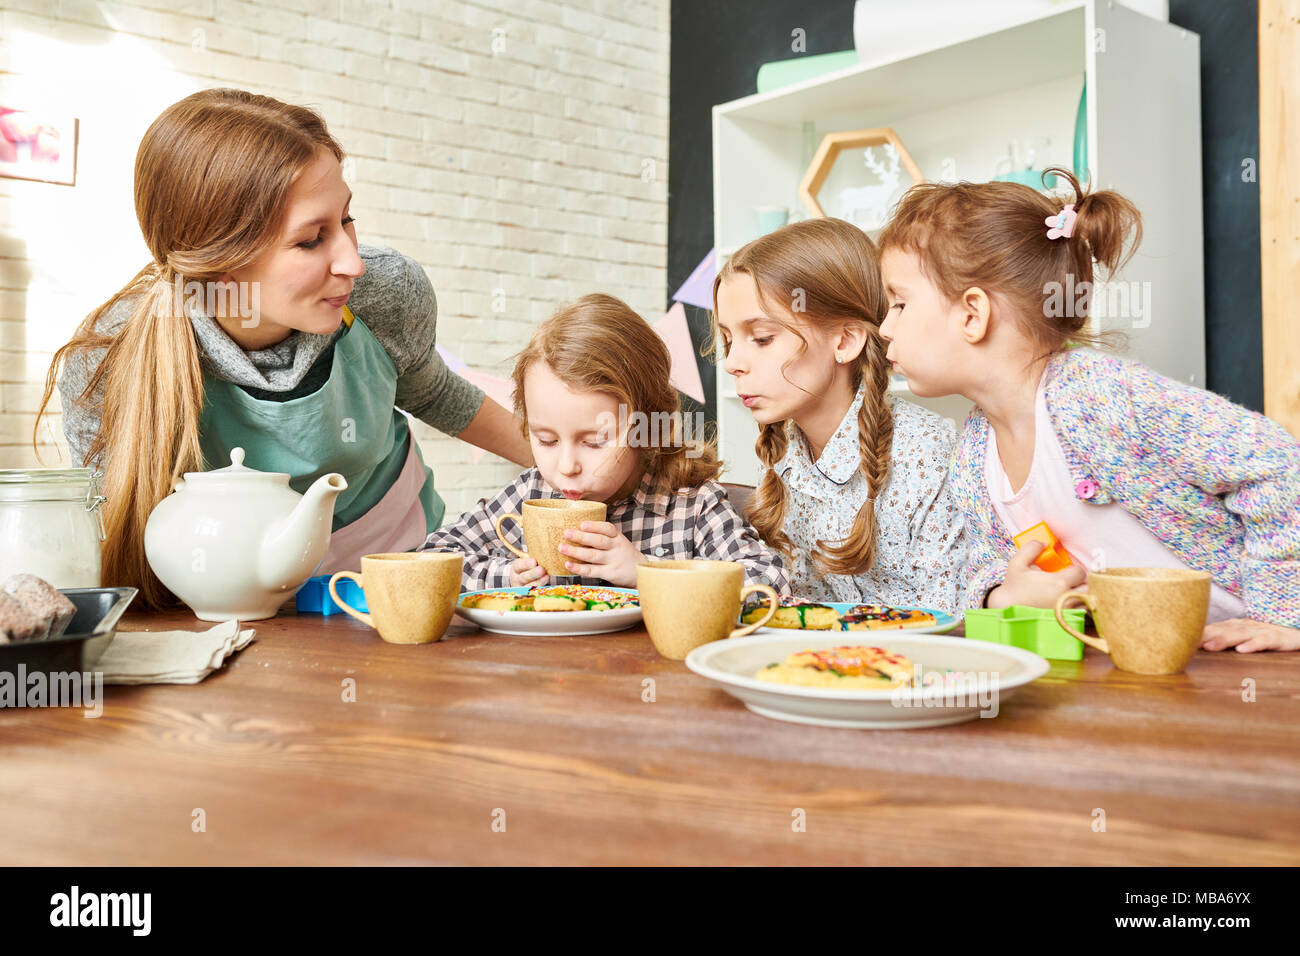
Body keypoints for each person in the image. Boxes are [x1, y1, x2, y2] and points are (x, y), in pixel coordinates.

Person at [38, 89, 531, 609]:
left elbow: (434, 394)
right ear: (222, 266)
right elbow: (103, 530)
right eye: (311, 239)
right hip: (225, 598)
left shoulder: (382, 294)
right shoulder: (111, 356)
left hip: (395, 577)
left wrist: (574, 464)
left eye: (346, 220)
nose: (352, 262)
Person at [878, 167, 1300, 652]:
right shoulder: (975, 451)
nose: (885, 327)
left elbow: (1276, 463)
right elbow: (990, 562)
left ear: (973, 314)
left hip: (1246, 659)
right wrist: (1000, 595)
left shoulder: (1098, 395)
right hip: (1146, 665)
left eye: (900, 305)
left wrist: (1282, 617)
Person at [419, 293, 790, 594]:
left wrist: (648, 573)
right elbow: (430, 561)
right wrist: (507, 577)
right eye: (545, 439)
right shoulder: (532, 494)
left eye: (595, 442)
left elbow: (771, 584)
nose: (566, 466)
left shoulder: (691, 505)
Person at [712, 217, 968, 613]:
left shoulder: (927, 452)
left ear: (845, 341)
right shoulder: (787, 456)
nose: (732, 362)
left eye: (762, 338)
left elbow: (956, 620)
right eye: (728, 340)